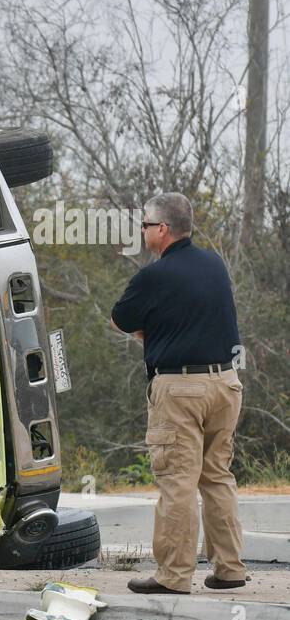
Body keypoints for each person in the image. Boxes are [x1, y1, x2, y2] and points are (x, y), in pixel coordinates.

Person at [110, 192, 246, 594]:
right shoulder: (214, 265)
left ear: (163, 230)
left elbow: (121, 319)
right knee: (217, 477)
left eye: (146, 226)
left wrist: (150, 337)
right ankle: (230, 569)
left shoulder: (154, 276)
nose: (143, 232)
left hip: (180, 388)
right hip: (225, 383)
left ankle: (173, 576)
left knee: (177, 482)